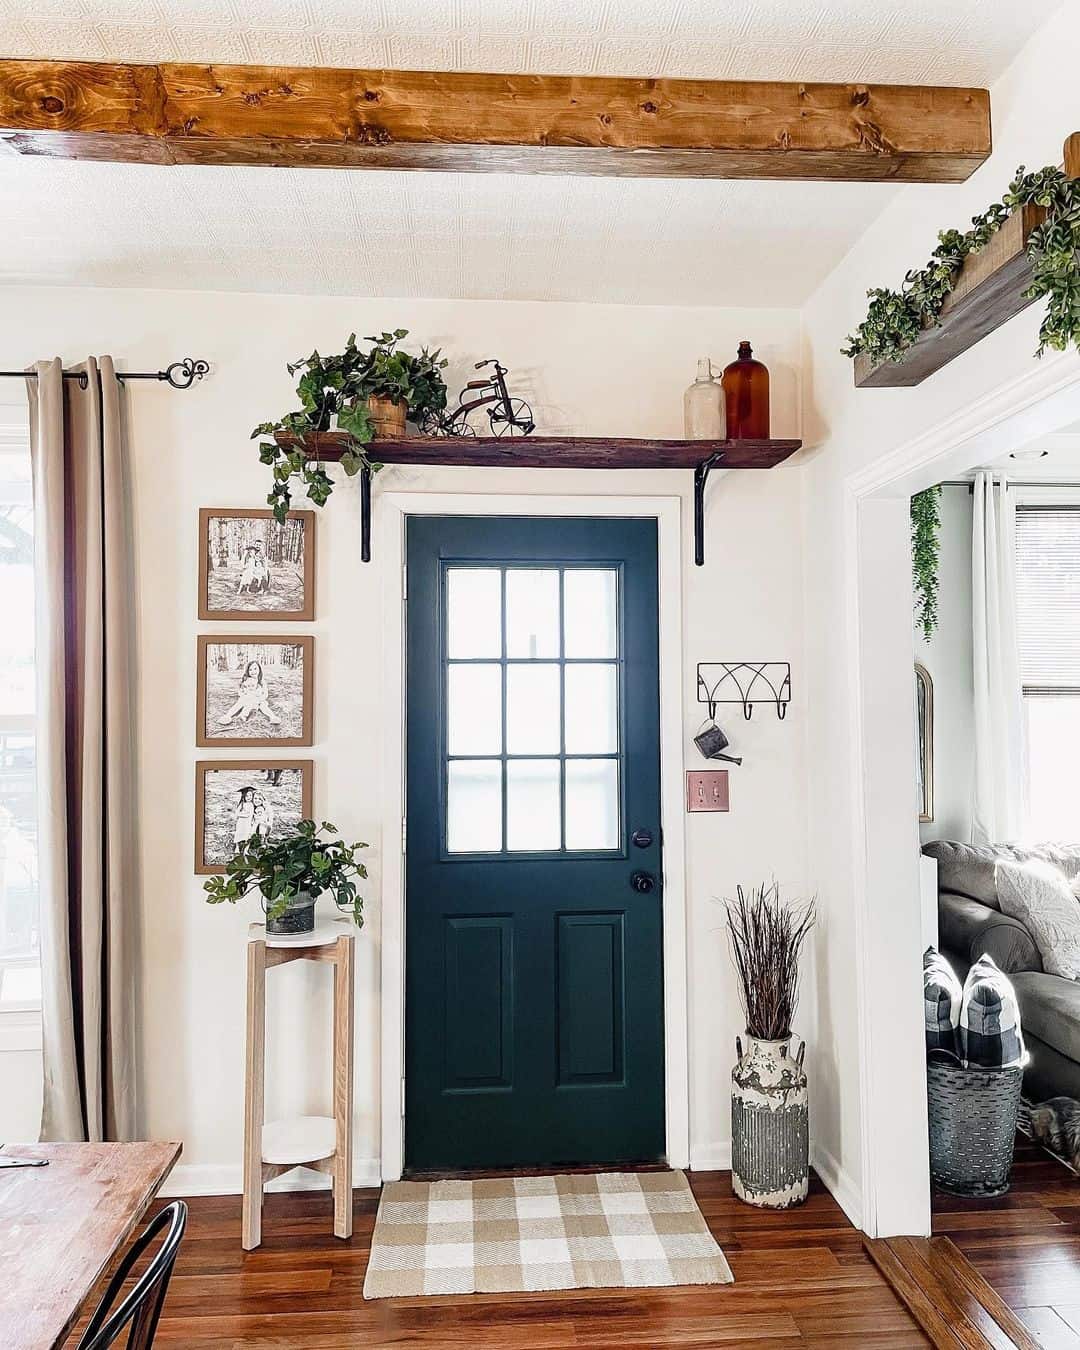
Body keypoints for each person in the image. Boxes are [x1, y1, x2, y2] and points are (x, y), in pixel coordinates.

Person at [218, 659, 283, 726]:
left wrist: (259, 699)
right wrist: (244, 695)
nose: (253, 671)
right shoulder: (246, 680)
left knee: (263, 706)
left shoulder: (262, 681)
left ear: (259, 670)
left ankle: (272, 717)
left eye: (255, 669)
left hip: (258, 699)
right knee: (239, 703)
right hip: (247, 698)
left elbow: (265, 694)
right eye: (250, 670)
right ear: (247, 671)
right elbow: (240, 691)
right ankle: (227, 716)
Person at [233, 786, 258, 851]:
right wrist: (239, 815)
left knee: (247, 835)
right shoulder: (242, 804)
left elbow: (249, 814)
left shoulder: (251, 805)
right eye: (247, 796)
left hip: (248, 823)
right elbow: (237, 812)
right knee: (239, 833)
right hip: (241, 822)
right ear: (243, 796)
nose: (249, 797)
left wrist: (240, 815)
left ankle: (246, 849)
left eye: (250, 795)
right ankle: (237, 847)